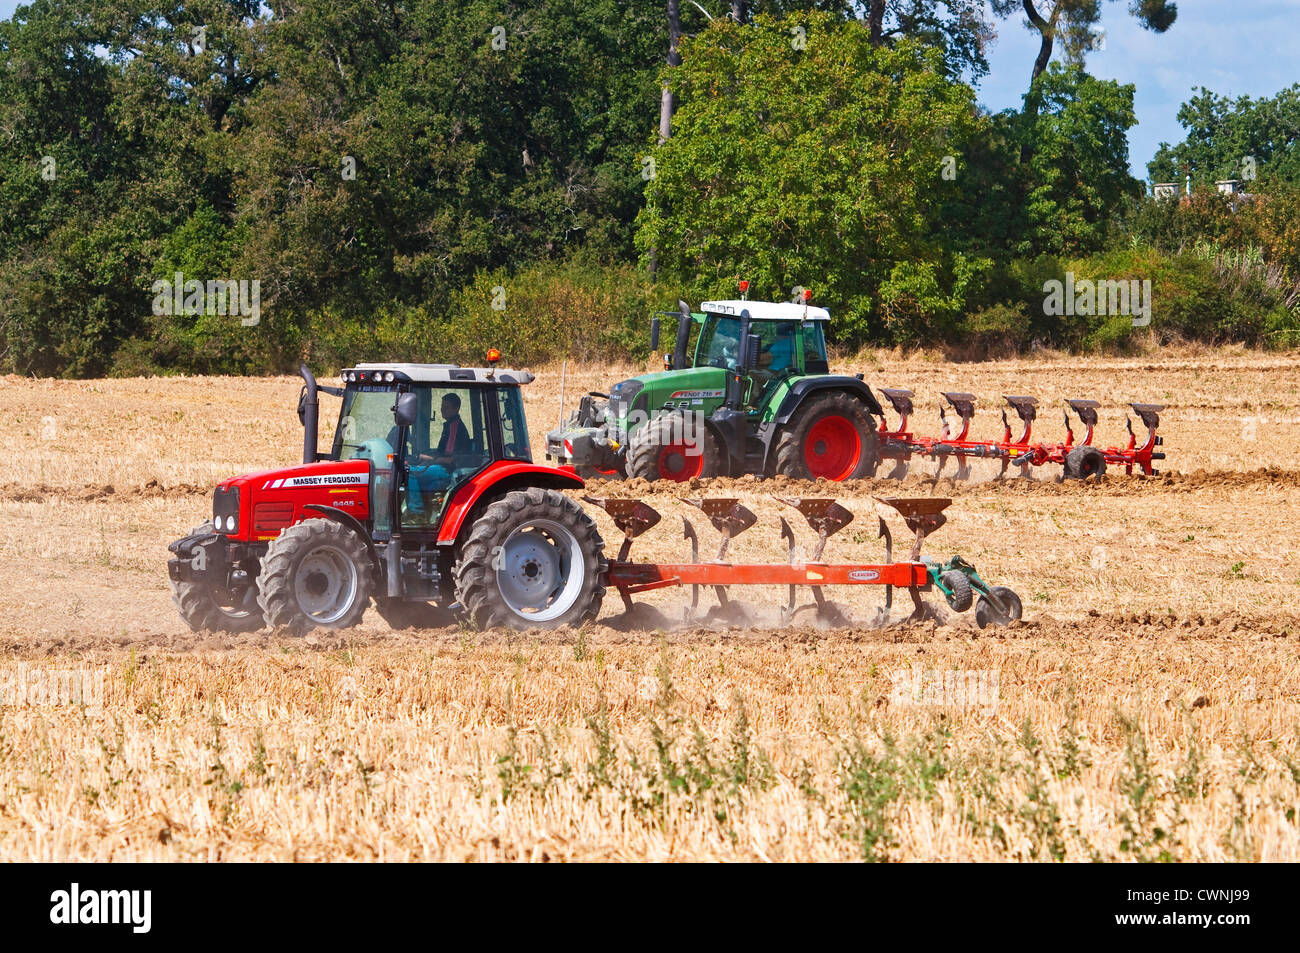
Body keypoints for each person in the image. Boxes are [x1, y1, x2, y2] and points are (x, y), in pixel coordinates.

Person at [405, 393, 468, 519]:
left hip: (448, 470)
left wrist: (428, 458)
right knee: (422, 485)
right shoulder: (449, 425)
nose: (442, 410)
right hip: (442, 467)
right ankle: (426, 515)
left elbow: (449, 459)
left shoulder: (455, 427)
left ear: (456, 409)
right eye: (441, 406)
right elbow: (442, 451)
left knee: (409, 473)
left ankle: (417, 514)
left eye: (446, 407)